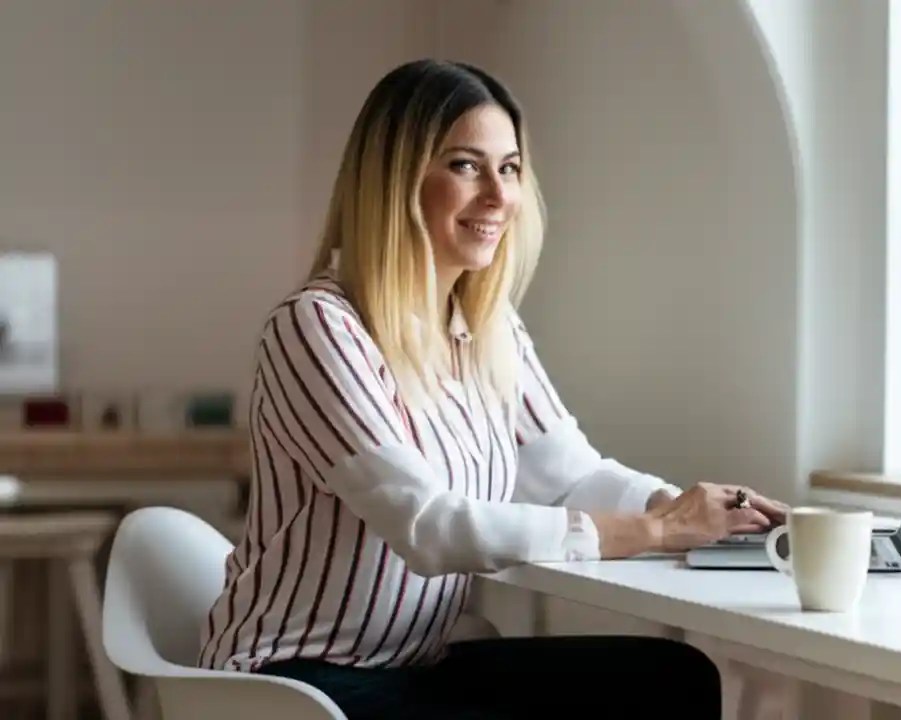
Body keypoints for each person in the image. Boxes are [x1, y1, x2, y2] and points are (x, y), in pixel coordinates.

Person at [197, 58, 789, 719]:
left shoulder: (485, 326)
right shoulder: (318, 327)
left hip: (417, 666)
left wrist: (689, 510)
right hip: (301, 684)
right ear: (394, 181)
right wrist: (654, 529)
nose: (500, 196)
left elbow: (568, 476)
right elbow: (428, 528)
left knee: (672, 679)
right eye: (465, 165)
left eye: (508, 168)